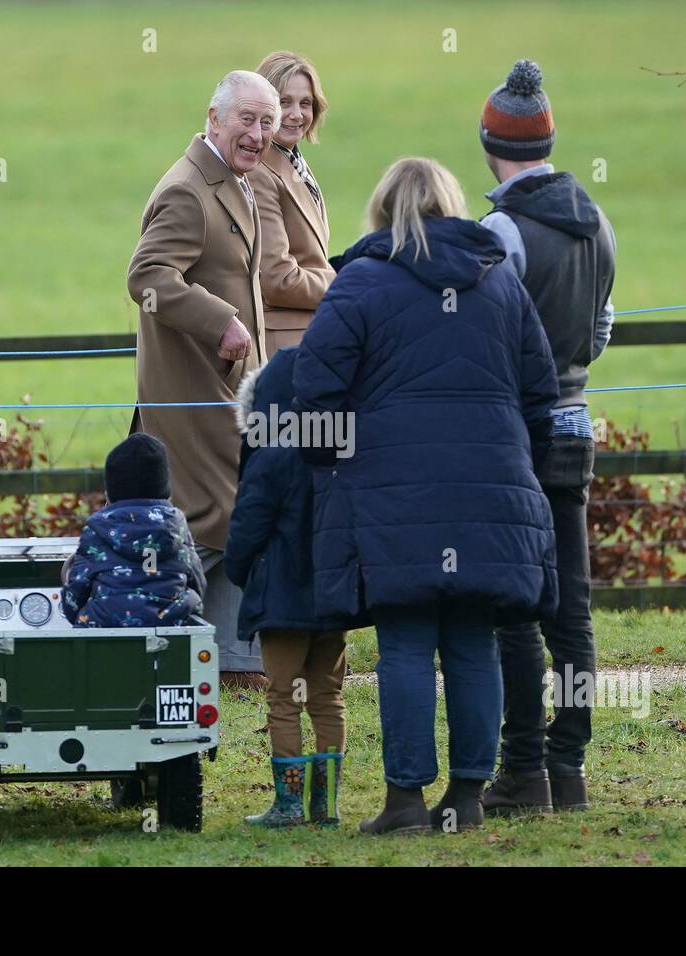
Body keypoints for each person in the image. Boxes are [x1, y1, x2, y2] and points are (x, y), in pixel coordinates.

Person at [294, 158, 560, 835]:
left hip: (392, 498)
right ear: (450, 205)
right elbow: (541, 394)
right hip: (492, 495)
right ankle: (468, 797)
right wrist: (517, 464)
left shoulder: (359, 282)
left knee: (406, 645)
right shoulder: (499, 280)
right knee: (474, 642)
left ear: (382, 210)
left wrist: (337, 461)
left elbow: (314, 394)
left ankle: (405, 801)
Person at [476, 59, 616, 815]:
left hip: (515, 434)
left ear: (488, 142)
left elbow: (494, 333)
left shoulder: (501, 228)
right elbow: (598, 331)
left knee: (515, 607)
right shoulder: (599, 221)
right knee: (573, 611)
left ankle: (522, 770)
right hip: (576, 423)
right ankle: (570, 767)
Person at [126, 70, 280, 688]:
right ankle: (157, 648)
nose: (259, 132)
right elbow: (147, 278)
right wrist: (221, 323)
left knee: (233, 514)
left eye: (267, 122)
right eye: (247, 118)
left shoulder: (236, 181)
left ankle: (231, 661)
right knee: (211, 519)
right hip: (194, 395)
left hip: (229, 389)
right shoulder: (190, 189)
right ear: (213, 118)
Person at [224, 347, 349, 827]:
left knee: (283, 698)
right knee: (327, 696)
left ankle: (289, 805)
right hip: (333, 599)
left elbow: (245, 533)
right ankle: (328, 804)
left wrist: (245, 575)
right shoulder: (340, 452)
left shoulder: (269, 459)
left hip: (282, 602)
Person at [61, 434, 205, 629]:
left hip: (104, 629)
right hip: (171, 624)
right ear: (164, 487)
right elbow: (197, 581)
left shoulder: (97, 529)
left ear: (110, 492)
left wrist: (75, 612)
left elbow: (76, 593)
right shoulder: (176, 525)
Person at [249, 51, 335, 356]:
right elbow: (278, 279)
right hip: (281, 346)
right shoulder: (259, 172)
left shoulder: (292, 158)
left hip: (307, 335)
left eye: (305, 103)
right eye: (284, 102)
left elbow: (309, 257)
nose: (297, 114)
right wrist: (344, 287)